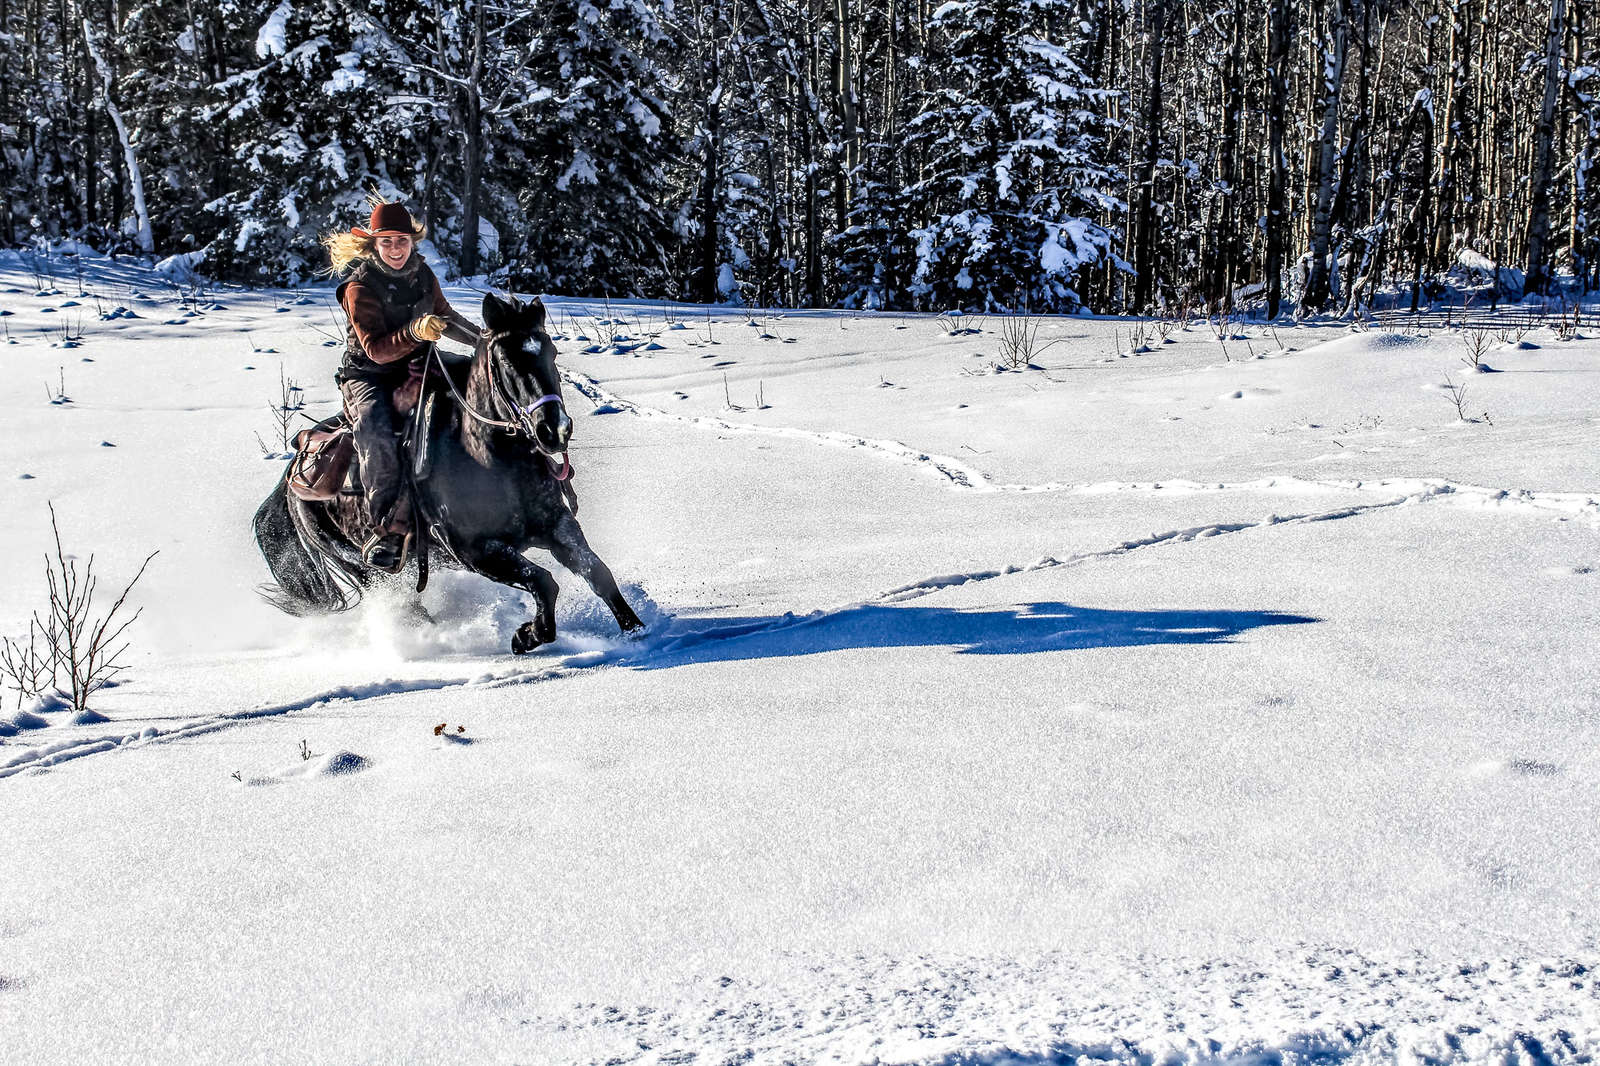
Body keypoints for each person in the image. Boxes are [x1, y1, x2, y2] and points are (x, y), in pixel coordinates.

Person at [320, 200, 479, 571]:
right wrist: (413, 331)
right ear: (374, 244)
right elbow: (375, 349)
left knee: (479, 383)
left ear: (412, 241)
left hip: (417, 365)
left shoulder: (422, 275)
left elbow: (446, 316)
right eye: (387, 241)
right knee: (375, 430)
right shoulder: (359, 287)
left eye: (402, 240)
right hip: (368, 375)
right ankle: (386, 529)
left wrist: (486, 341)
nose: (396, 248)